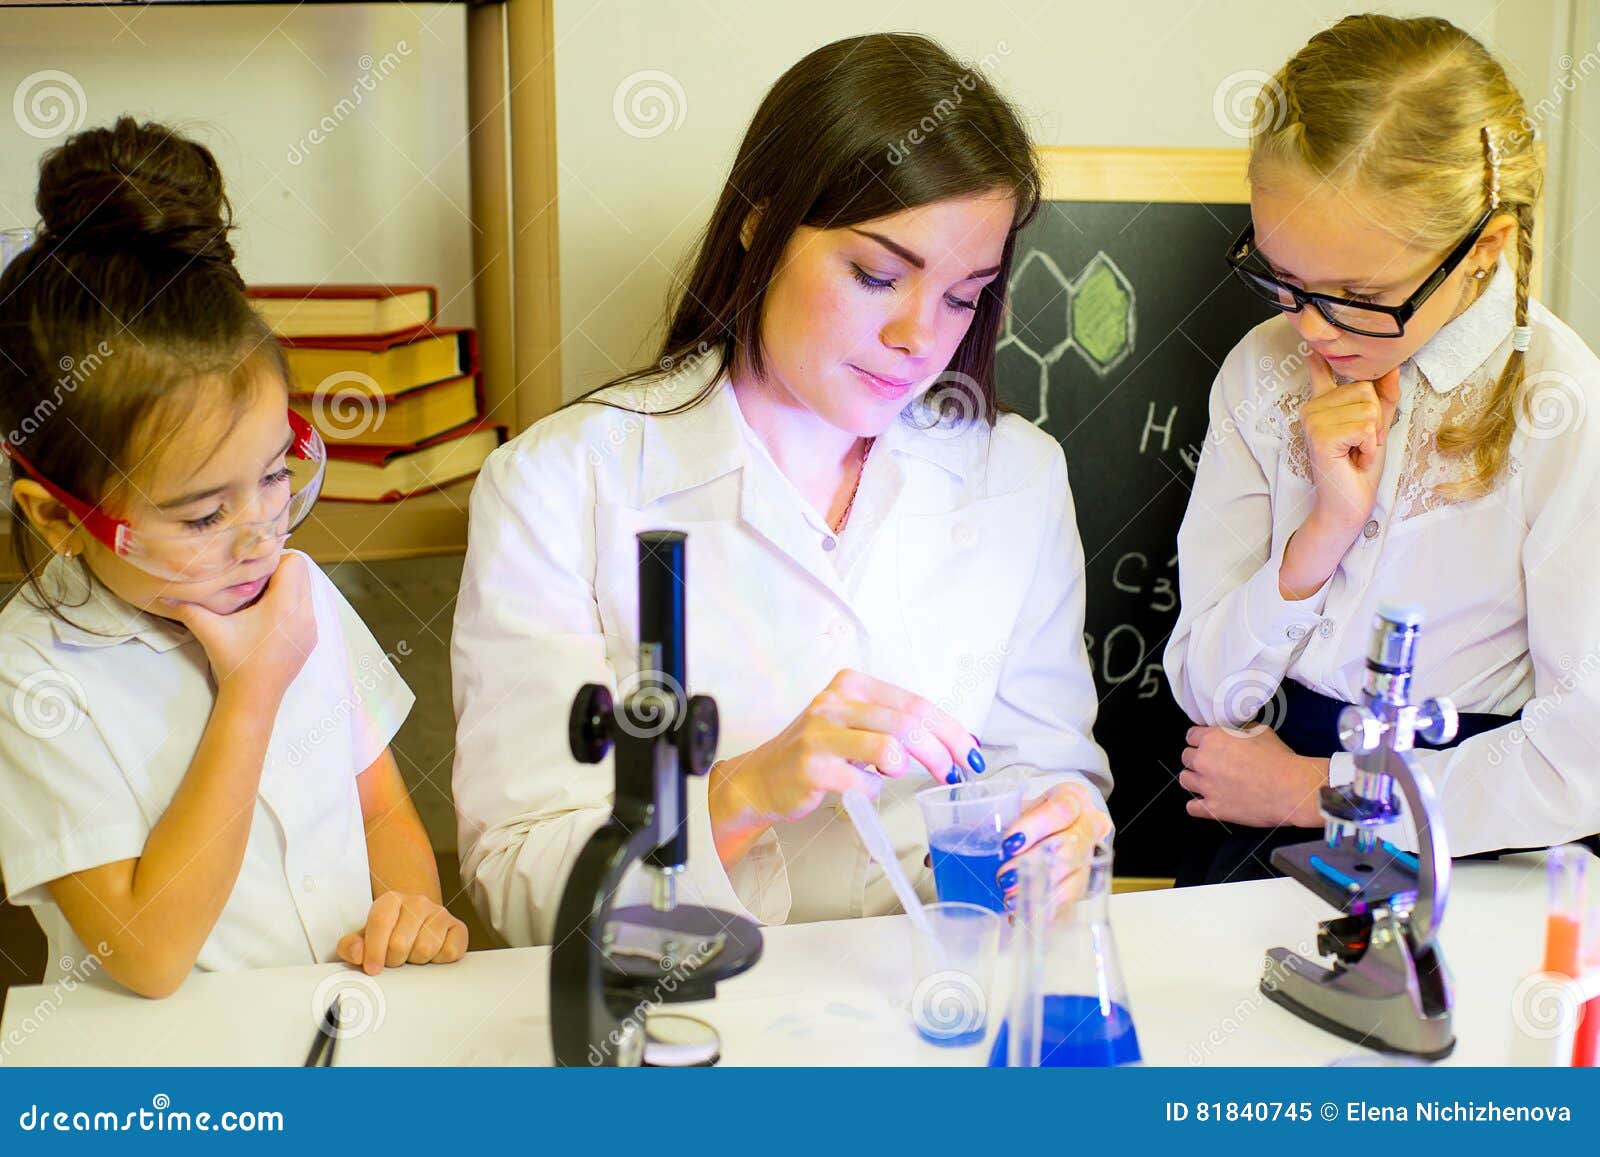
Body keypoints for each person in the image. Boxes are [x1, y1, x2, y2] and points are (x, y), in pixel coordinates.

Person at [452, 33, 1112, 945]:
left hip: (937, 1006)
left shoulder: (1017, 478)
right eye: (878, 274)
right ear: (759, 221)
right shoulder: (563, 484)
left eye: (965, 296)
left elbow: (1045, 768)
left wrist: (1063, 823)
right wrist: (746, 790)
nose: (921, 337)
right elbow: (518, 879)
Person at [0, 118, 466, 995]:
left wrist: (410, 906)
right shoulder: (34, 675)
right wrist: (253, 691)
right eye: (205, 513)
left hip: (339, 1027)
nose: (262, 533)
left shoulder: (295, 587)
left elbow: (380, 812)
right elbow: (146, 955)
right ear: (58, 520)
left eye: (274, 473)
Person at [1165, 14, 1600, 884]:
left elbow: (1577, 759)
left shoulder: (1564, 409)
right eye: (1282, 276)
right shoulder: (1262, 372)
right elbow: (1211, 694)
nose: (1311, 327)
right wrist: (1323, 532)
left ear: (1483, 253)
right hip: (1259, 830)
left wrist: (1316, 788)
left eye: (1359, 295)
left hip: (1465, 837)